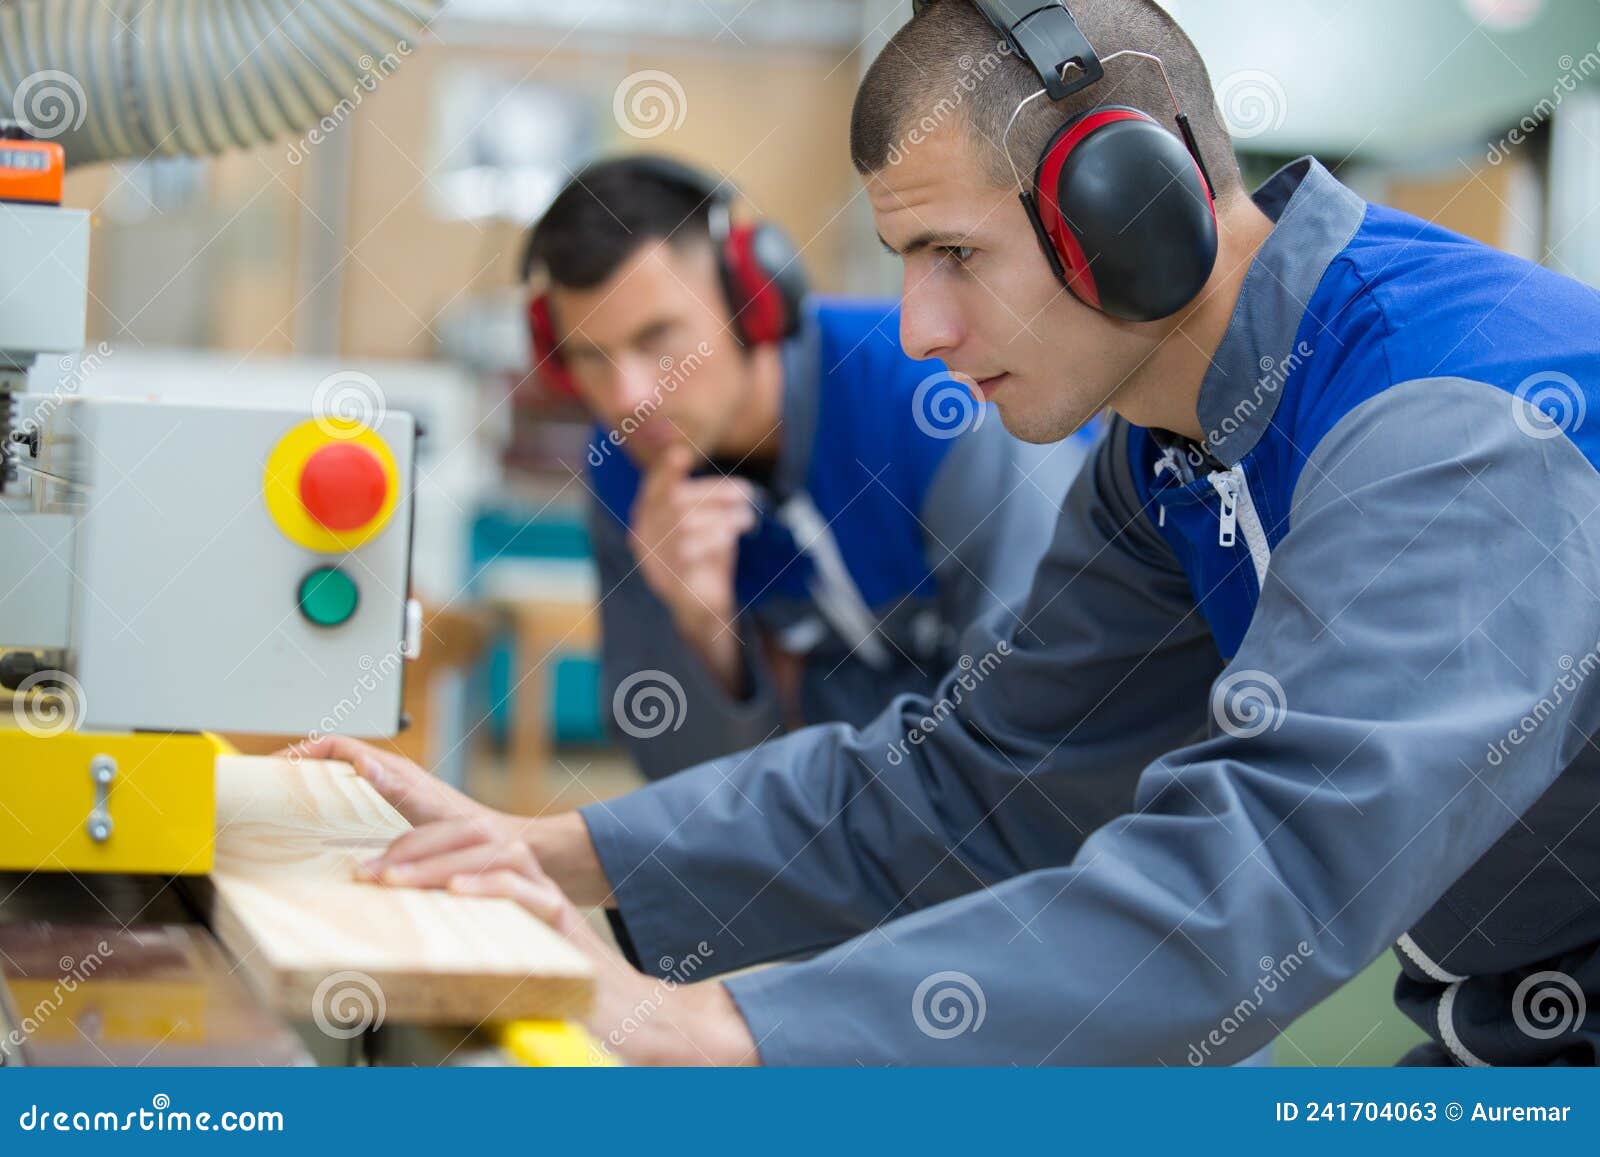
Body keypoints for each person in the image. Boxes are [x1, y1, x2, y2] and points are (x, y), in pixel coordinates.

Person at [303, 0, 1600, 1066]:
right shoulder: (1170, 446)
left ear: (1129, 207)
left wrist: (711, 1025)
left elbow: (1271, 860)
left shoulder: (1453, 418)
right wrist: (542, 848)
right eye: (903, 261)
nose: (917, 327)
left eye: (955, 255)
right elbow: (978, 778)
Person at [521, 155, 1090, 779]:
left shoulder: (934, 400)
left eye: (657, 339)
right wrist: (706, 634)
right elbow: (690, 790)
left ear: (754, 301)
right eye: (590, 357)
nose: (627, 396)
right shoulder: (627, 467)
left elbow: (1039, 727)